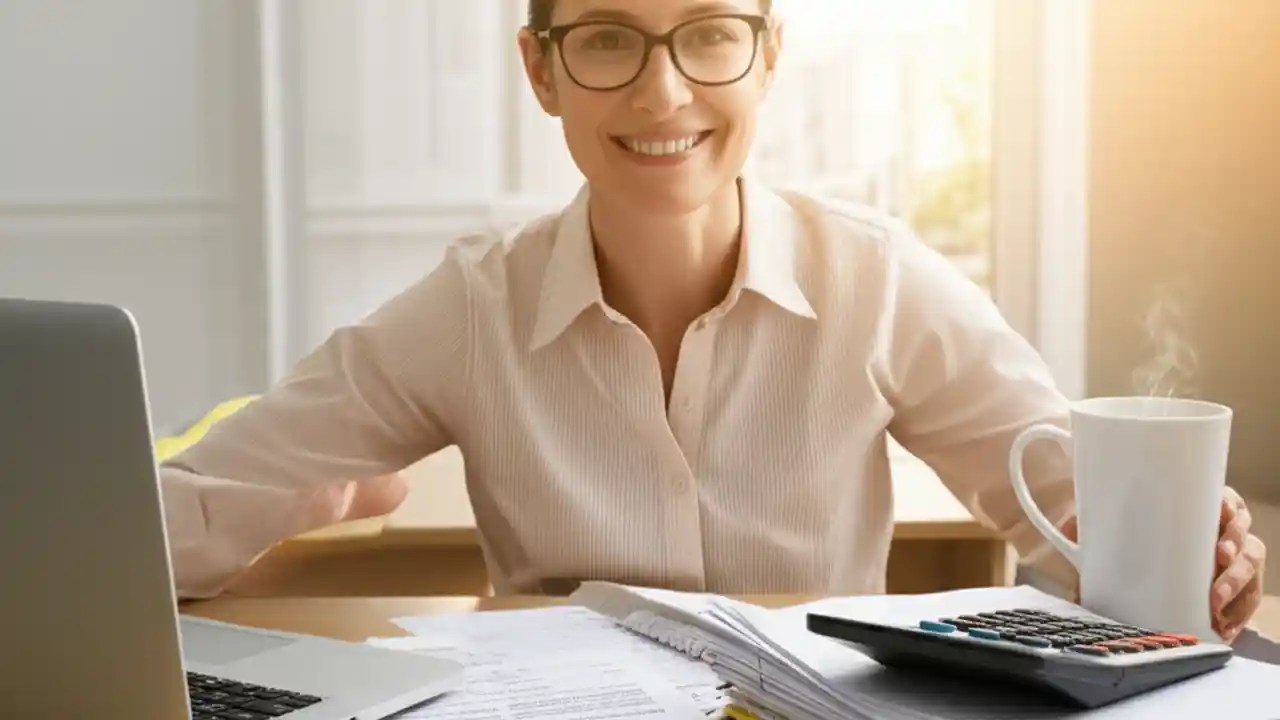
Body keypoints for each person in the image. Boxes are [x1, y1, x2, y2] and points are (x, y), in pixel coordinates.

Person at [160, 0, 1266, 641]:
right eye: (605, 40)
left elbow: (1082, 531)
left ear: (768, 53)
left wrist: (1195, 572)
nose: (661, 94)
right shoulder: (469, 307)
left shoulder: (876, 280)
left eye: (707, 35)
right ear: (540, 73)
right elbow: (198, 500)